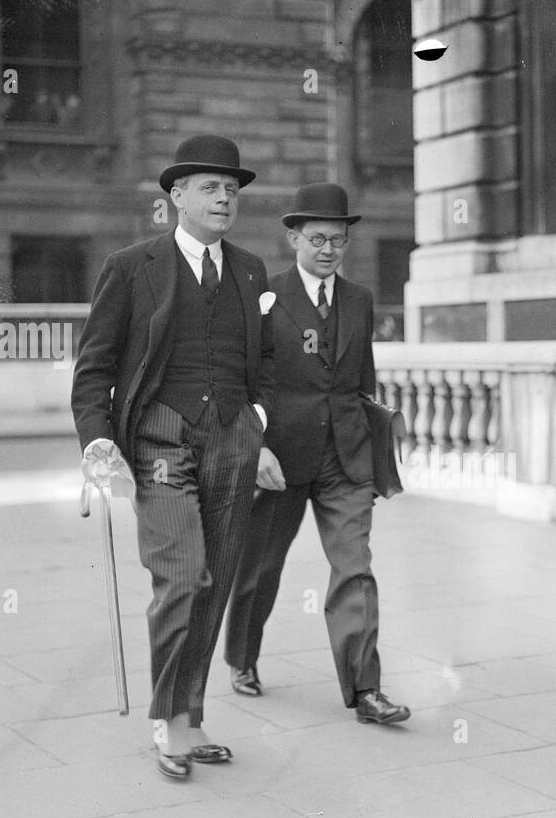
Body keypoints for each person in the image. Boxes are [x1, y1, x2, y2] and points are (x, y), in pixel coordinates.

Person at [71, 134, 275, 779]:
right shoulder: (133, 266)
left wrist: (258, 418)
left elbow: (263, 358)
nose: (224, 199)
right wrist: (98, 442)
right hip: (160, 439)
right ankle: (169, 719)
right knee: (183, 576)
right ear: (176, 196)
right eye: (211, 188)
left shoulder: (249, 270)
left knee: (215, 580)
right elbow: (94, 367)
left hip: (232, 441)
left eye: (232, 190)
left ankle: (190, 713)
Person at [223, 183, 409, 726]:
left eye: (339, 240)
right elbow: (244, 384)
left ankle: (366, 690)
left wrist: (376, 453)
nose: (329, 249)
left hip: (345, 458)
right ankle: (242, 657)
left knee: (355, 569)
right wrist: (255, 450)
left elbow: (362, 381)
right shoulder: (266, 299)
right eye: (318, 239)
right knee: (259, 569)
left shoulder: (359, 300)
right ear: (293, 239)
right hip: (280, 458)